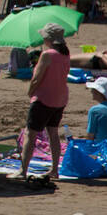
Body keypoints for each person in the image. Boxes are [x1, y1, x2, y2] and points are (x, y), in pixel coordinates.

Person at [18, 22, 70, 180]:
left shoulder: (48, 55)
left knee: (30, 134)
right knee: (53, 133)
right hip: (60, 98)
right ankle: (54, 170)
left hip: (44, 98)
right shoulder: (65, 54)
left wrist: (30, 92)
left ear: (49, 38)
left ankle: (22, 170)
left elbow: (36, 79)